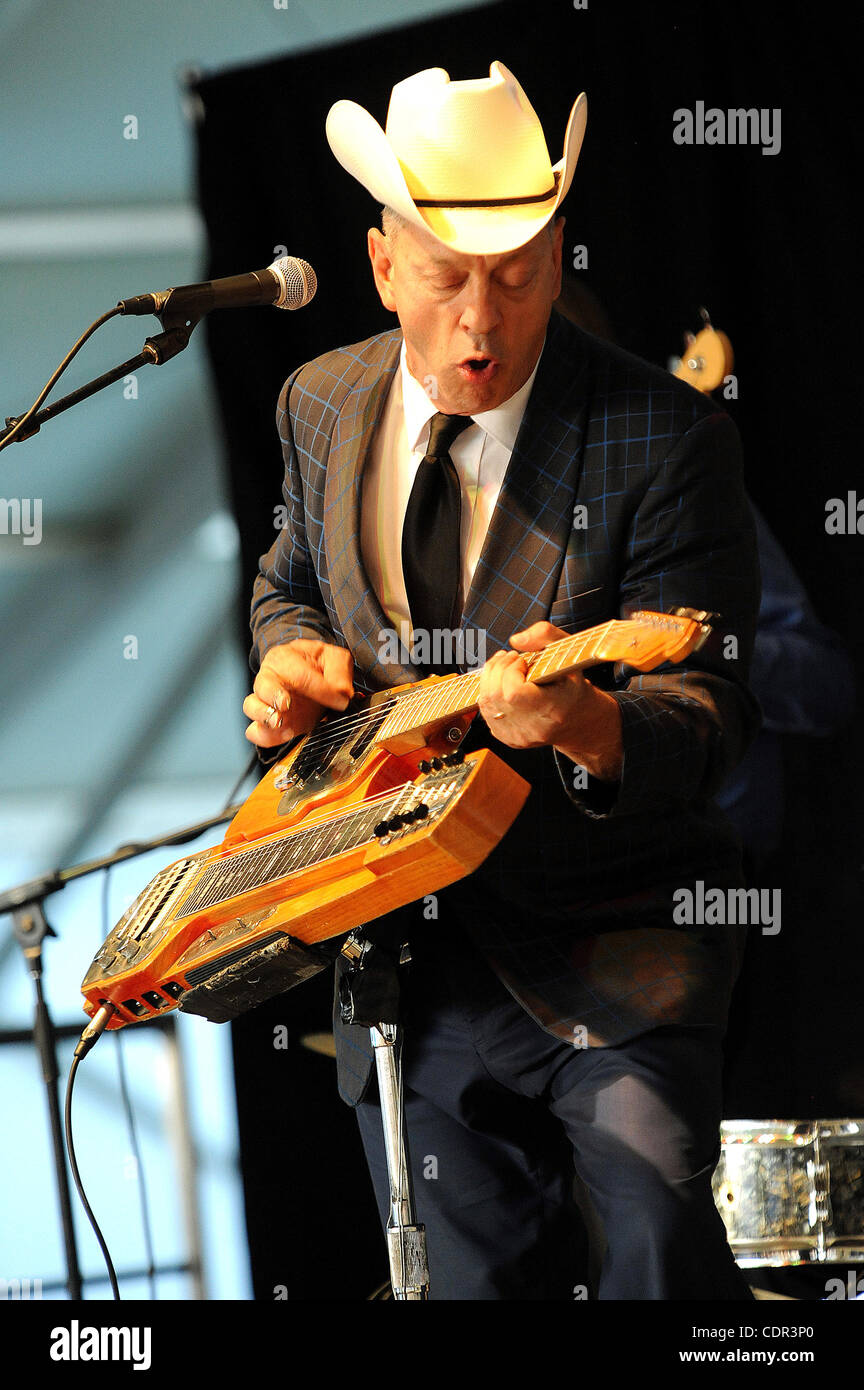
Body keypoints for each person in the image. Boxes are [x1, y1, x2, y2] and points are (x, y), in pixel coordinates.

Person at [243, 62, 761, 1300]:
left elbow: (715, 711)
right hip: (404, 954)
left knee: (657, 1260)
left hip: (612, 951)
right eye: (448, 278)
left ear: (557, 253)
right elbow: (288, 580)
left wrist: (589, 726)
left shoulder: (663, 436)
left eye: (520, 277)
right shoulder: (318, 401)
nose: (484, 322)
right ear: (381, 268)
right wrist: (287, 653)